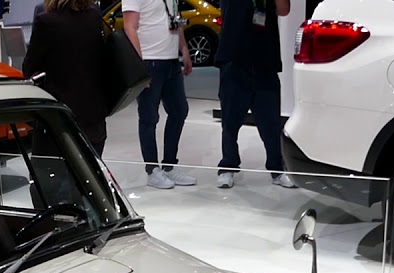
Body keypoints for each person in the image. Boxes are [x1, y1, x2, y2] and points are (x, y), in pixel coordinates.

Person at [213, 0, 296, 189]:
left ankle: (277, 168)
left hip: (265, 59)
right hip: (234, 56)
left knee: (271, 122)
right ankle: (228, 165)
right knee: (230, 119)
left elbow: (284, 10)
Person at [123, 0, 197, 189]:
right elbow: (129, 26)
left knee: (179, 111)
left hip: (171, 61)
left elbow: (175, 19)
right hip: (149, 60)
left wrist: (184, 49)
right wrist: (139, 66)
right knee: (149, 117)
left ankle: (170, 165)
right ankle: (152, 169)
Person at [23, 0, 109, 155]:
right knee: (91, 173)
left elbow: (29, 66)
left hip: (60, 119)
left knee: (53, 174)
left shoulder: (46, 22)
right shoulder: (94, 15)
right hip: (93, 115)